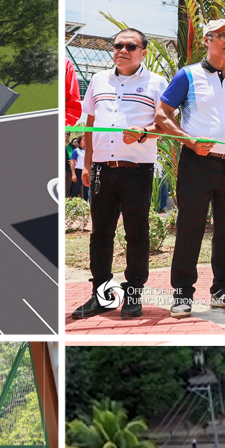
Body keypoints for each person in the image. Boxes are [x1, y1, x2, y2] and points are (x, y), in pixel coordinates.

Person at [156, 18, 225, 317]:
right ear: (207, 39)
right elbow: (162, 114)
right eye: (222, 36)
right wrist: (188, 142)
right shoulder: (188, 75)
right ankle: (183, 293)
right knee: (190, 229)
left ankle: (223, 289)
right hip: (197, 164)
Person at [72, 28, 168, 321]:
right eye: (117, 45)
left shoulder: (156, 83)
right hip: (101, 170)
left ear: (143, 52)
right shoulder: (99, 80)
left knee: (136, 234)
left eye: (130, 45)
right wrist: (88, 165)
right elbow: (89, 124)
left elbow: (165, 126)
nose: (122, 50)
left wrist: (142, 134)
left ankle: (133, 295)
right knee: (100, 234)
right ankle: (101, 296)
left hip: (137, 171)